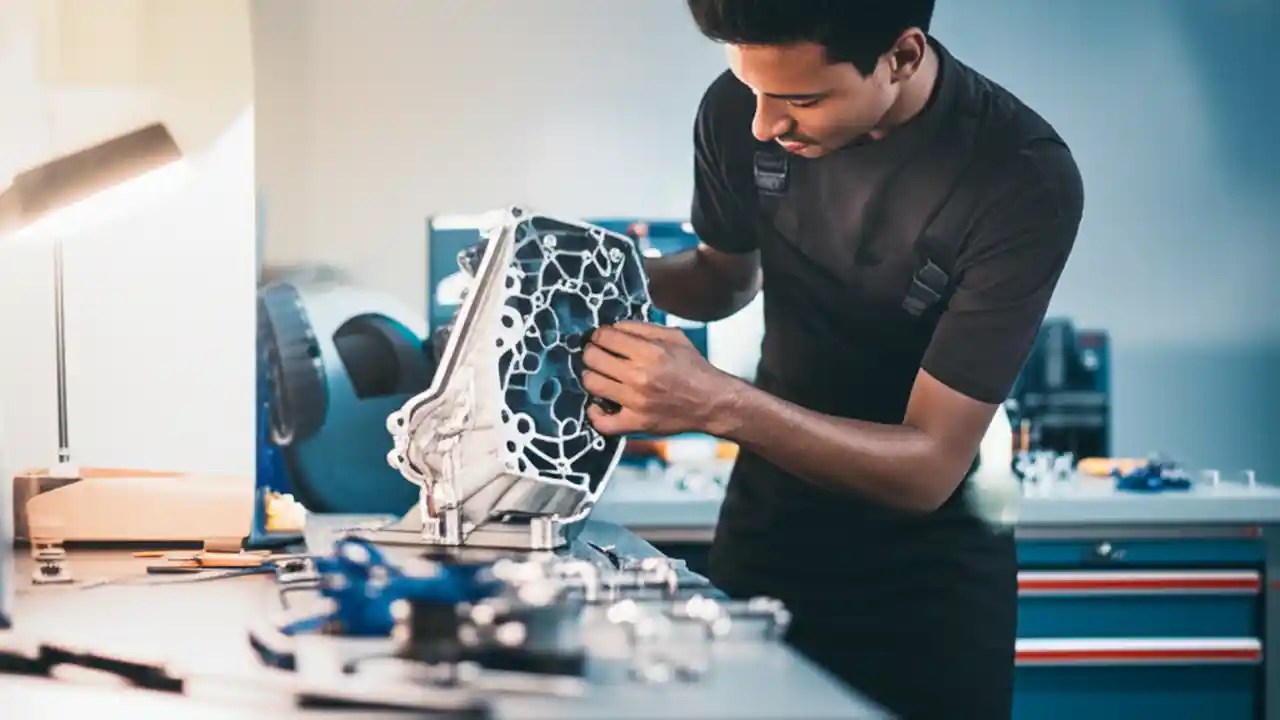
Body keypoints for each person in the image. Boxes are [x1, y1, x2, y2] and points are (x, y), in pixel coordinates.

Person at [581, 1, 1083, 717]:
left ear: (902, 57)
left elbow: (930, 465)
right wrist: (590, 272)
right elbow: (724, 281)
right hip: (768, 534)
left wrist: (716, 402)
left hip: (928, 582)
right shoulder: (740, 109)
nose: (764, 125)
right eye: (752, 89)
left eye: (803, 100)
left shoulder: (1019, 176)